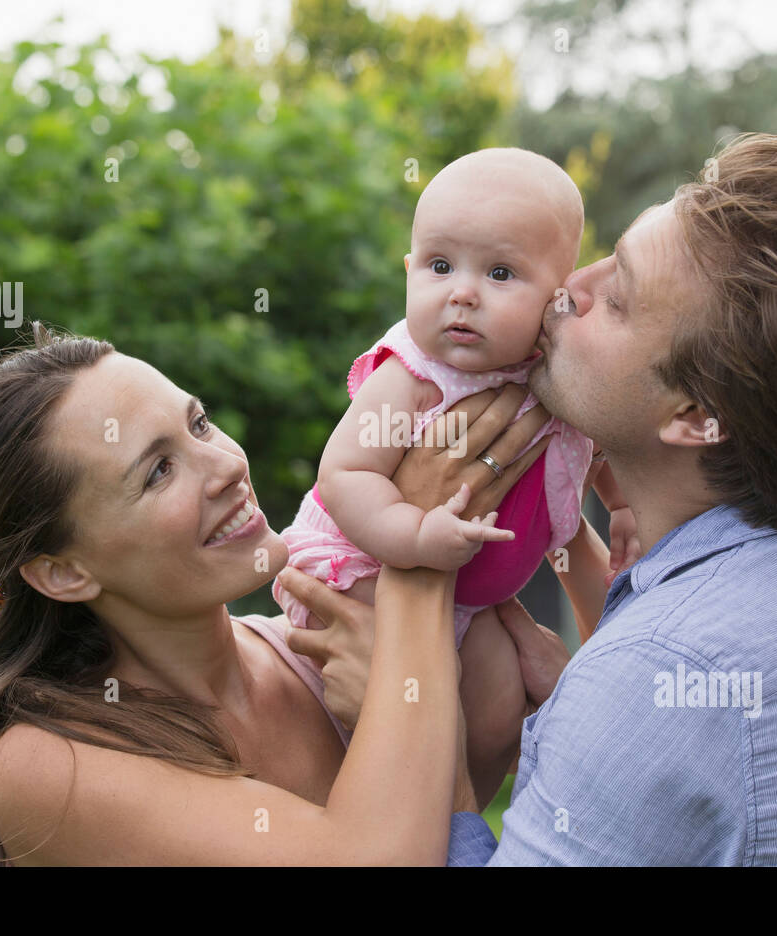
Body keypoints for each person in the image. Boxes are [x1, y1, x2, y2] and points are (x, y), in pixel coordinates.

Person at [427, 132, 777, 864]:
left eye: (615, 299)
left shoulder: (649, 681)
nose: (566, 291)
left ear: (693, 418)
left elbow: (662, 705)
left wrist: (434, 760)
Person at [0, 322, 549, 865]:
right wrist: (416, 552)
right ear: (64, 572)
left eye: (200, 423)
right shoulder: (47, 763)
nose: (225, 465)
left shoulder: (320, 650)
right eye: (158, 471)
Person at [271, 147, 632, 807]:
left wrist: (621, 497)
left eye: (500, 273)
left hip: (473, 602)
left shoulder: (555, 372)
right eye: (439, 266)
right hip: (368, 575)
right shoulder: (413, 375)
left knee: (497, 713)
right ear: (409, 273)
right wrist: (413, 534)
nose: (461, 292)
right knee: (408, 708)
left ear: (559, 299)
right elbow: (346, 472)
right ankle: (382, 800)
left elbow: (596, 443)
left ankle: (450, 819)